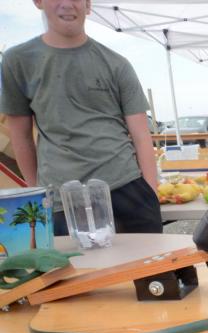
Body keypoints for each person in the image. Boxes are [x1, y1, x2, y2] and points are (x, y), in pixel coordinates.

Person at [0, 0, 162, 237]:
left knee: (157, 273)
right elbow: (20, 136)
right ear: (38, 2)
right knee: (78, 274)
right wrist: (40, 192)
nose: (67, 4)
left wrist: (151, 193)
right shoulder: (18, 62)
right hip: (61, 200)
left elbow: (140, 134)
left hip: (127, 188)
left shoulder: (117, 64)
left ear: (87, 5)